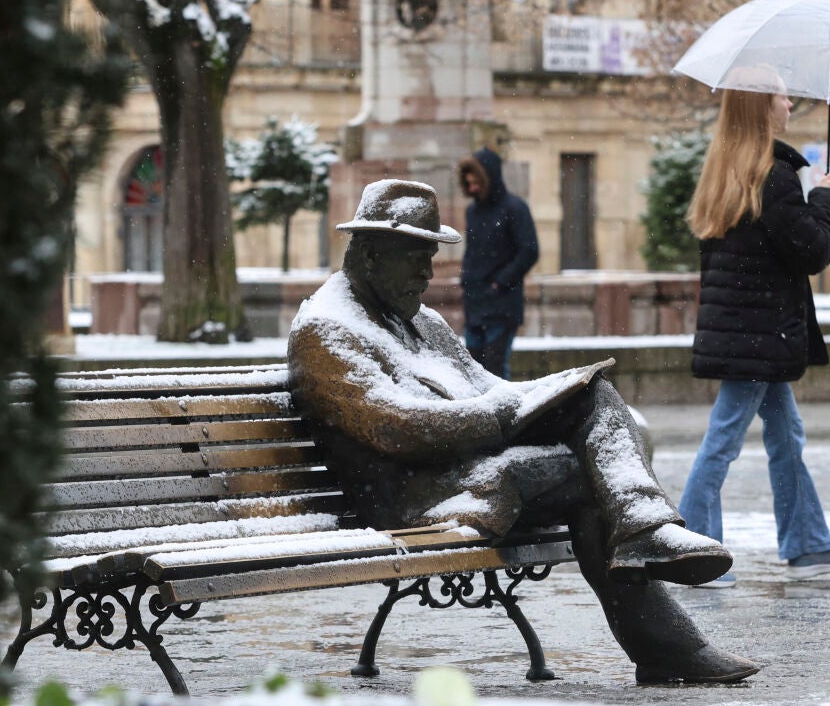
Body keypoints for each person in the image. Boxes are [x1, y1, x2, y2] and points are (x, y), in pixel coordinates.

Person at [288, 178, 761, 684]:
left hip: (468, 470)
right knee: (589, 477)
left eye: (432, 256)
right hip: (412, 495)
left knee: (592, 397)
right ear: (370, 254)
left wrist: (551, 393)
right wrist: (505, 412)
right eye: (416, 257)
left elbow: (484, 386)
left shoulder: (419, 321)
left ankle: (645, 534)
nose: (429, 273)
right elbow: (397, 428)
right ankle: (661, 616)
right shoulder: (327, 329)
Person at [677, 83, 830, 589]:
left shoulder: (728, 170)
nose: (790, 103)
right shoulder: (771, 176)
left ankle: (808, 546)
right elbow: (811, 251)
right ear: (760, 107)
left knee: (784, 436)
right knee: (724, 438)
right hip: (760, 333)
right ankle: (687, 551)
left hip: (748, 331)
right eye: (780, 96)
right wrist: (824, 200)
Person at [458, 148, 539, 379]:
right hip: (475, 304)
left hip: (502, 306)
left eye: (476, 182)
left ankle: (503, 416)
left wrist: (500, 283)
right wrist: (468, 282)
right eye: (468, 182)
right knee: (473, 372)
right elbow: (473, 253)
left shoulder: (515, 208)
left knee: (495, 371)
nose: (472, 187)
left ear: (489, 178)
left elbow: (529, 251)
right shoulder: (472, 212)